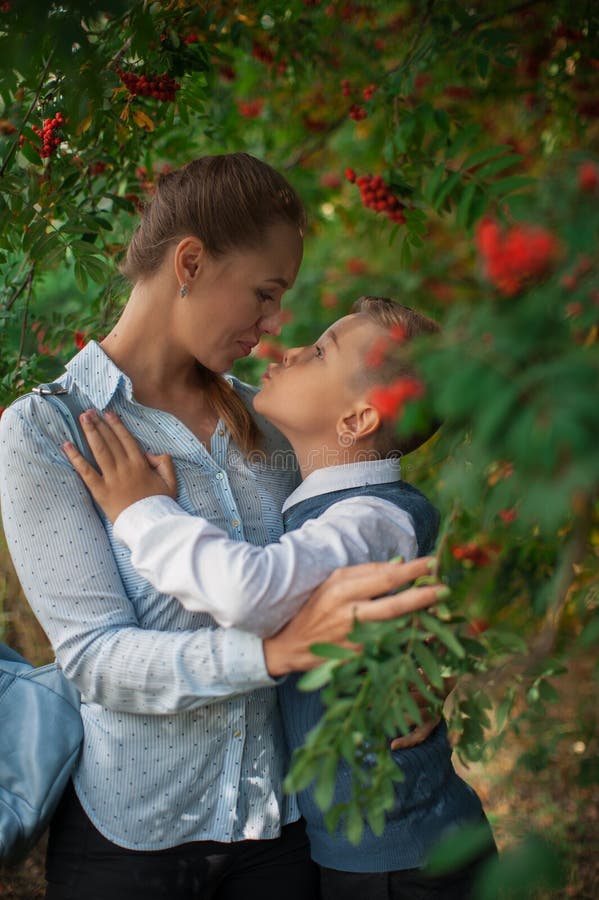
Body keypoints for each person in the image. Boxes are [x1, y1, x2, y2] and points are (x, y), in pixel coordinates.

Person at [0, 153, 445, 900]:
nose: (275, 325)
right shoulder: (48, 431)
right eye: (265, 295)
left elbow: (358, 558)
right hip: (133, 839)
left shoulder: (278, 424)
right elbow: (95, 661)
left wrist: (414, 668)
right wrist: (267, 654)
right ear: (191, 262)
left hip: (286, 832)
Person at [64, 296, 496, 900]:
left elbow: (251, 591)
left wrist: (143, 511)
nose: (291, 349)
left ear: (357, 420)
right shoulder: (331, 505)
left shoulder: (370, 518)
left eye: (321, 353)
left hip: (405, 857)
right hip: (370, 850)